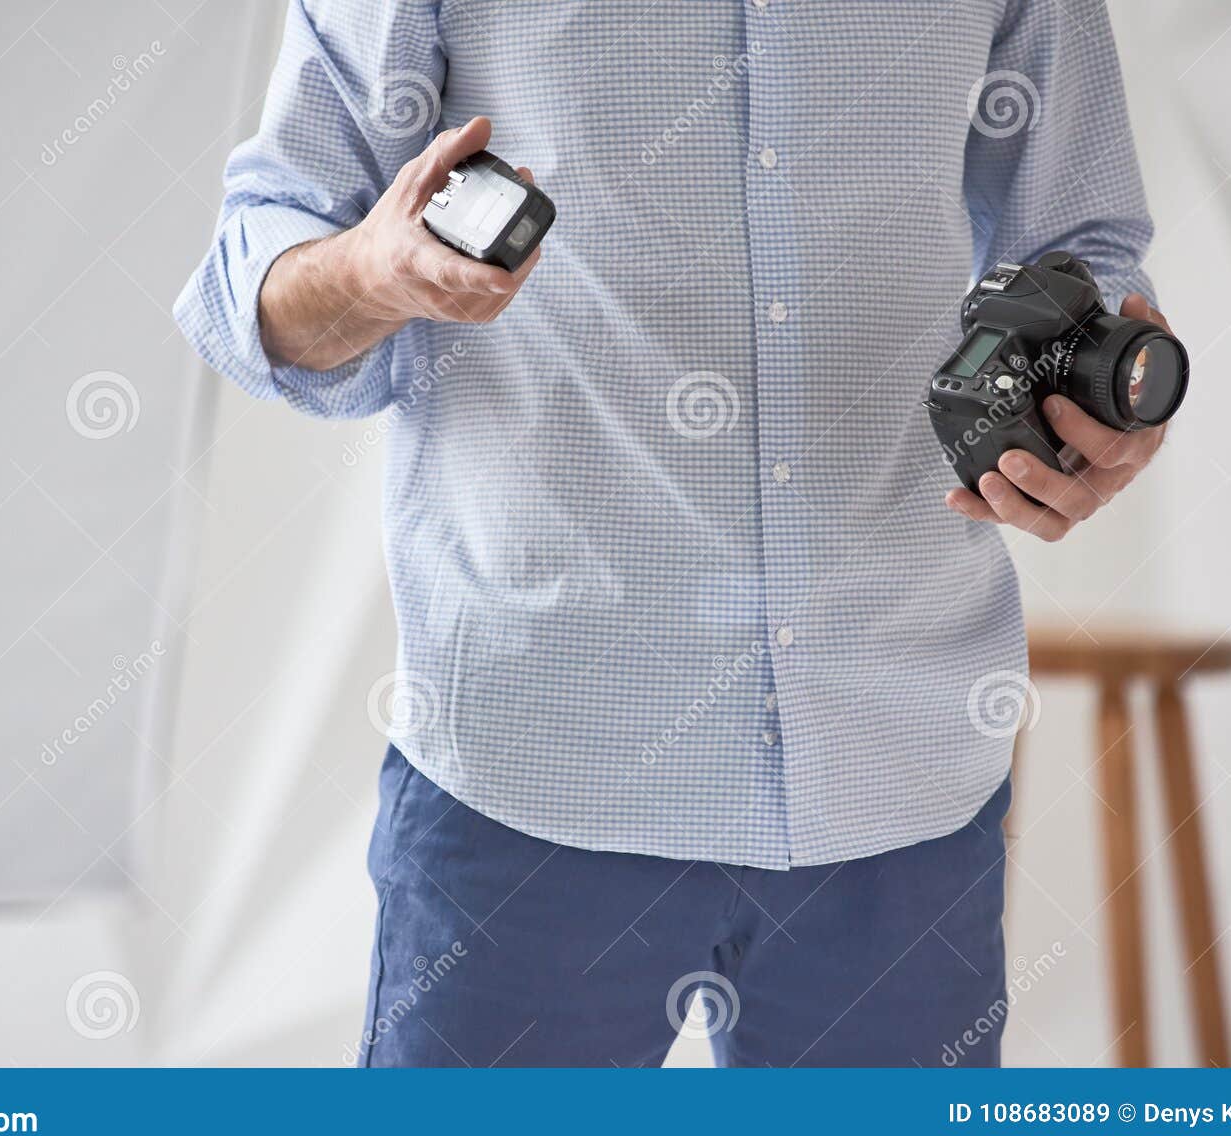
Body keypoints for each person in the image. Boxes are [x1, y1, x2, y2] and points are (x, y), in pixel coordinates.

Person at [175, 0, 1173, 1067]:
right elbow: (257, 267)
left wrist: (1102, 407)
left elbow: (1079, 238)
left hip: (896, 770)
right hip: (534, 778)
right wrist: (372, 272)